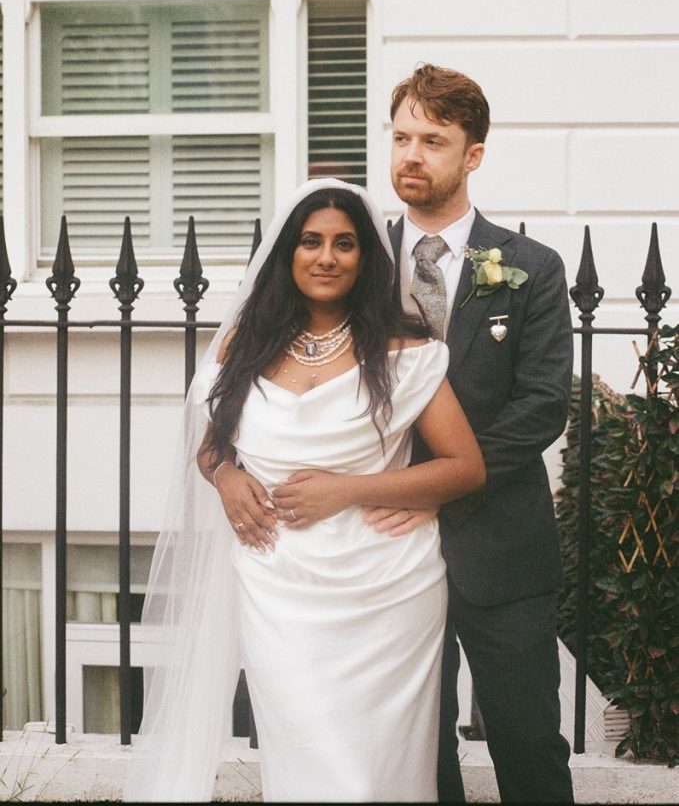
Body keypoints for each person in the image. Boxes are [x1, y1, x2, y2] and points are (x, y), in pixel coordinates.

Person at [125, 178, 485, 804]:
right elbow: (212, 445)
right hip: (276, 583)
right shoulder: (243, 347)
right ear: (287, 253)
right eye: (311, 242)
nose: (327, 257)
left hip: (386, 589)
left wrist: (347, 491)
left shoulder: (403, 349)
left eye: (344, 244)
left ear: (365, 258)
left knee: (378, 772)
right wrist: (226, 477)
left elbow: (464, 467)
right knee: (305, 761)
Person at [366, 64, 574, 803]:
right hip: (382, 550)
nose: (409, 156)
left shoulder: (531, 268)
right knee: (413, 751)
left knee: (526, 742)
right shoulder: (355, 264)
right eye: (399, 137)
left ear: (472, 155)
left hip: (501, 549)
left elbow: (542, 406)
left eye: (431, 139)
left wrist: (435, 488)